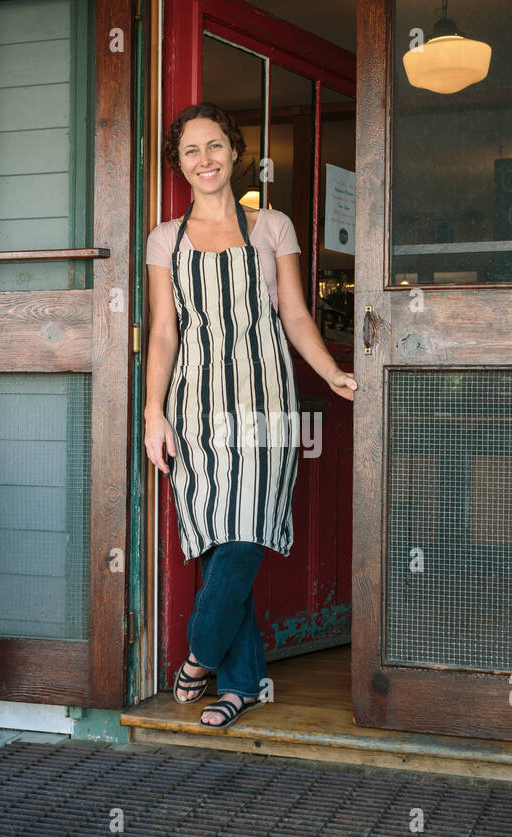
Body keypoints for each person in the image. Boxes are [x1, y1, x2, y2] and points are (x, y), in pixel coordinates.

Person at [144, 102, 358, 728]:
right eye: (190, 151)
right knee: (213, 538)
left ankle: (199, 656)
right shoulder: (165, 238)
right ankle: (241, 685)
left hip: (266, 401)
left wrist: (330, 372)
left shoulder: (273, 227)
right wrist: (154, 414)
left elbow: (294, 314)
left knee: (243, 535)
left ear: (235, 153)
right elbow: (163, 332)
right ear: (179, 164)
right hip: (195, 404)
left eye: (214, 146)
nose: (205, 159)